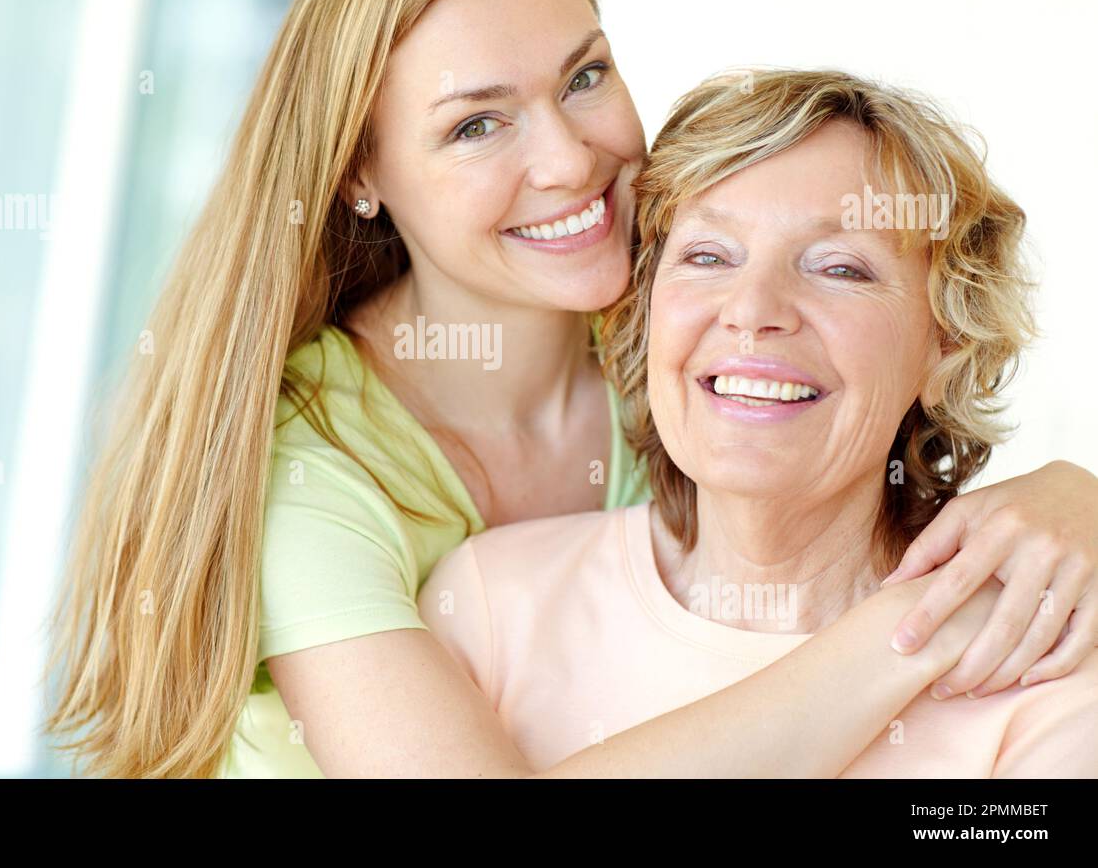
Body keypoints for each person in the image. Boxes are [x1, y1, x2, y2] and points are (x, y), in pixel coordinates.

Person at [44, 0, 1098, 778]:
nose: (569, 158)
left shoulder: (688, 350)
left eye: (583, 76)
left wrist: (1072, 497)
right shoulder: (305, 472)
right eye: (475, 125)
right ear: (358, 175)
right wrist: (928, 629)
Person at [418, 69, 1098, 776]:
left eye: (840, 268)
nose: (752, 309)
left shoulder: (1051, 674)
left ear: (947, 342)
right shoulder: (492, 603)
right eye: (708, 257)